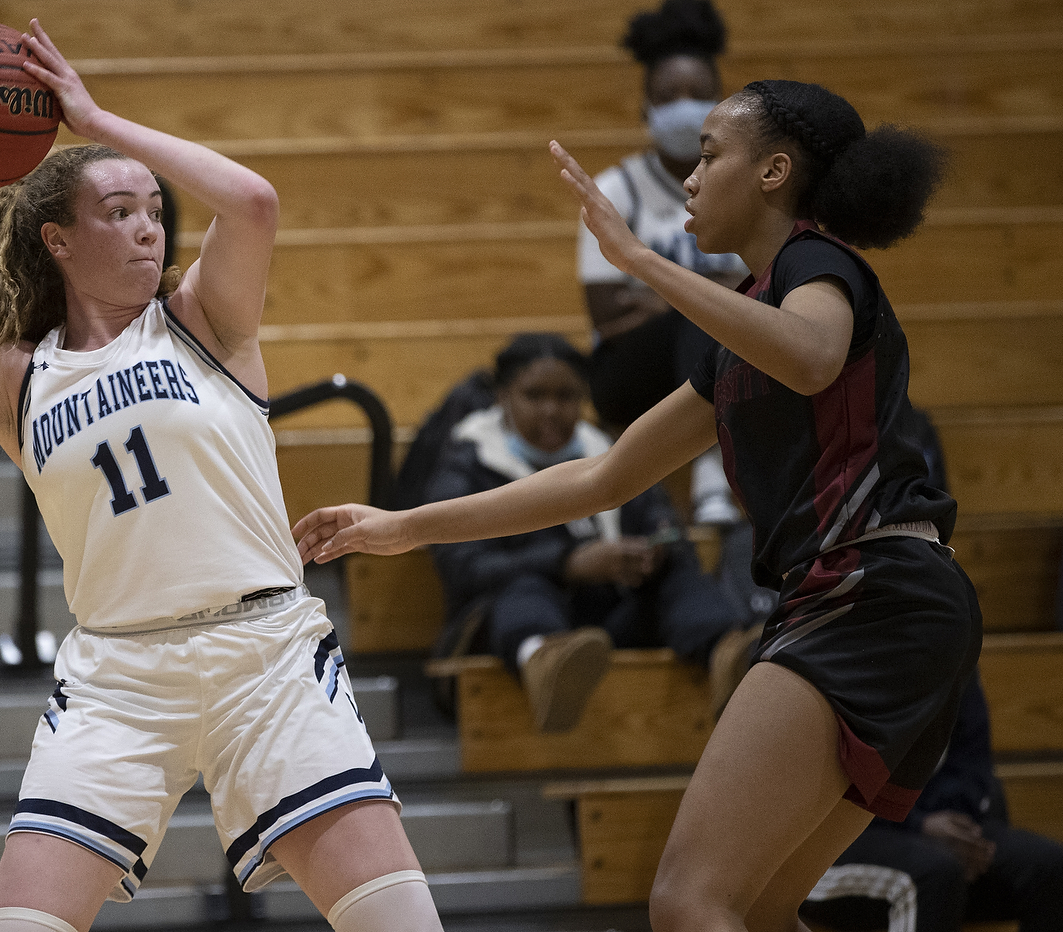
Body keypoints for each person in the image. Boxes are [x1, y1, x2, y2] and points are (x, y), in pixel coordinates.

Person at [295, 79, 981, 932]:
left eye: (708, 154)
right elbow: (602, 478)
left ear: (774, 172)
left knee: (689, 903)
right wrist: (401, 526)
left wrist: (643, 264)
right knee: (759, 910)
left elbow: (811, 356)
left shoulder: (815, 264)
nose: (689, 179)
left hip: (870, 591)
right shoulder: (742, 337)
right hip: (887, 600)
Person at [0, 20, 443, 932]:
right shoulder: (12, 378)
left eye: (154, 208)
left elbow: (253, 200)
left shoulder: (203, 321)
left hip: (263, 655)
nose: (149, 227)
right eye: (119, 212)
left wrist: (97, 119)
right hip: (117, 678)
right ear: (58, 241)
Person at [424, 332, 751, 731]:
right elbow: (461, 566)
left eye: (566, 397)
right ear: (503, 396)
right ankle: (542, 660)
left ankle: (727, 653)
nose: (551, 411)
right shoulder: (466, 460)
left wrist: (654, 550)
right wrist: (568, 564)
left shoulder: (611, 452)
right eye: (535, 395)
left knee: (677, 575)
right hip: (508, 629)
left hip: (602, 627)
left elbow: (667, 527)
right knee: (523, 585)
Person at [581, 0, 746, 527]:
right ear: (644, 107)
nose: (683, 106)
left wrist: (659, 293)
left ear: (722, 104)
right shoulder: (618, 188)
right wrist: (707, 291)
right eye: (667, 96)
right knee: (703, 316)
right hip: (629, 377)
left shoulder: (745, 187)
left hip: (732, 358)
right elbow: (606, 316)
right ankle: (712, 475)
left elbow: (769, 290)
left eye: (698, 94)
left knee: (712, 320)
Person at [800, 670, 1063, 932]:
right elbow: (832, 783)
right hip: (832, 838)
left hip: (929, 824)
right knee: (932, 876)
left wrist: (952, 826)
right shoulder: (843, 654)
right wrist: (919, 824)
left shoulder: (956, 646)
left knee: (1050, 868)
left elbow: (973, 763)